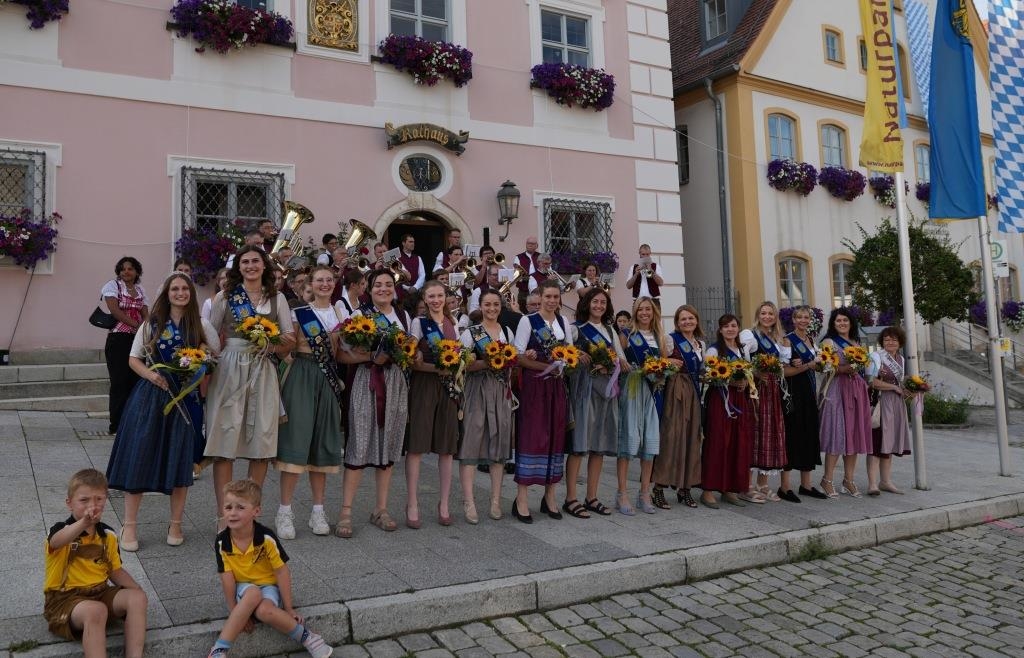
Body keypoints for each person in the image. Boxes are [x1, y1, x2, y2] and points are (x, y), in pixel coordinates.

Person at [106, 272, 220, 550]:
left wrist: (202, 362)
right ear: (166, 294)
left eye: (185, 289)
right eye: (175, 289)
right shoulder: (152, 323)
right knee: (140, 456)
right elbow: (134, 359)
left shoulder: (202, 324)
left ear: (191, 293)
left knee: (181, 461)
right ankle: (130, 525)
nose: (180, 293)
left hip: (186, 399)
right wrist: (151, 375)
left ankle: (176, 524)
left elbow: (214, 355)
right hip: (151, 396)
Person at [205, 247, 295, 523]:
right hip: (230, 369)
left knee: (261, 443)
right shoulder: (226, 296)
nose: (251, 266)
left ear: (264, 266)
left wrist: (271, 345)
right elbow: (208, 334)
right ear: (238, 267)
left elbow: (290, 338)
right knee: (224, 442)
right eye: (245, 262)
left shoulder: (277, 298)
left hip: (263, 369)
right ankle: (225, 514)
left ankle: (249, 512)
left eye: (256, 261)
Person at [208, 480, 332, 658]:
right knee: (252, 594)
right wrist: (236, 613)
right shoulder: (222, 541)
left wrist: (289, 608)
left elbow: (282, 571)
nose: (233, 513)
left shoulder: (266, 538)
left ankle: (309, 638)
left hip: (269, 588)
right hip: (243, 589)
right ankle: (218, 651)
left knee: (264, 611)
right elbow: (226, 577)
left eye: (240, 508)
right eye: (228, 507)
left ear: (256, 511)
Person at [335, 269, 411, 537]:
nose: (383, 289)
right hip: (366, 383)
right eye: (378, 284)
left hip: (395, 385)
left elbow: (409, 353)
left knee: (388, 445)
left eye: (388, 284)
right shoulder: (358, 316)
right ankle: (346, 511)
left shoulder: (403, 317)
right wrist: (370, 358)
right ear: (369, 288)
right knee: (359, 444)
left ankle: (381, 508)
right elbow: (342, 356)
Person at [43, 469, 147, 658]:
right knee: (96, 610)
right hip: (64, 601)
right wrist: (83, 524)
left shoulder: (108, 535)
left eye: (99, 499)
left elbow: (114, 570)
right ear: (69, 503)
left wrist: (136, 591)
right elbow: (55, 542)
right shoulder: (61, 530)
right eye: (84, 500)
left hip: (100, 592)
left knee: (137, 598)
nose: (92, 505)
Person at [275, 266, 346, 540]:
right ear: (311, 284)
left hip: (327, 380)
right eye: (320, 280)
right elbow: (286, 348)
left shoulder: (340, 313)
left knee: (322, 443)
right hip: (303, 376)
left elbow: (340, 354)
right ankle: (285, 511)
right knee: (296, 442)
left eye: (329, 279)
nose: (325, 284)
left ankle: (318, 511)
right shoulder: (299, 314)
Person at [512, 280, 572, 523]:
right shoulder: (528, 321)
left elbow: (569, 352)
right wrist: (546, 366)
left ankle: (550, 497)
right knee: (532, 437)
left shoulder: (563, 321)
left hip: (556, 387)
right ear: (541, 297)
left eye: (556, 296)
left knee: (555, 437)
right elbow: (517, 356)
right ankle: (522, 499)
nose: (552, 300)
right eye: (548, 296)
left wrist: (563, 366)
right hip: (535, 386)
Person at [564, 287, 626, 518]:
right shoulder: (575, 329)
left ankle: (591, 497)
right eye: (595, 301)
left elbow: (622, 361)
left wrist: (611, 365)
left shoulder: (610, 330)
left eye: (603, 302)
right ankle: (571, 498)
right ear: (587, 304)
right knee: (580, 445)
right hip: (585, 391)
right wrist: (580, 358)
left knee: (598, 446)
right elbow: (565, 357)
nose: (599, 306)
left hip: (606, 393)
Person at [459, 290, 516, 521]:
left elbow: (513, 361)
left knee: (499, 444)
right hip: (477, 390)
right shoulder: (471, 333)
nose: (492, 308)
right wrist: (484, 362)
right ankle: (469, 501)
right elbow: (462, 364)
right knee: (471, 443)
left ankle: (495, 500)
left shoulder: (507, 332)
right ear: (480, 306)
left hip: (501, 390)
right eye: (487, 304)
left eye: (495, 304)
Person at [408, 281, 461, 526]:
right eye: (432, 296)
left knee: (446, 447)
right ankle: (412, 502)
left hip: (448, 388)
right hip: (425, 386)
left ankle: (445, 503)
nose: (436, 300)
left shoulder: (453, 323)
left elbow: (460, 356)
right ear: (425, 298)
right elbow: (413, 360)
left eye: (440, 295)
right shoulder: (419, 323)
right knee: (417, 445)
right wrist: (436, 368)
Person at [616, 296, 667, 515]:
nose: (644, 313)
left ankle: (644, 492)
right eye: (640, 309)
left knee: (650, 443)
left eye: (648, 309)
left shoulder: (660, 336)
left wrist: (662, 373)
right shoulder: (626, 335)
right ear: (635, 312)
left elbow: (663, 363)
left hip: (654, 391)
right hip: (633, 388)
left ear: (653, 312)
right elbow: (619, 362)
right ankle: (622, 493)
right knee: (628, 440)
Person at [700, 314, 756, 508]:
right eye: (726, 326)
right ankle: (708, 490)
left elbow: (748, 373)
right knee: (718, 442)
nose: (730, 329)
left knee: (737, 443)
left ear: (738, 328)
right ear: (720, 329)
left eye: (734, 326)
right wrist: (729, 381)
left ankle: (730, 489)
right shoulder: (714, 350)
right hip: (721, 400)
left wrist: (744, 383)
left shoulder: (741, 349)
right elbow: (706, 376)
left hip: (740, 400)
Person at [652, 305, 705, 509]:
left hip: (693, 391)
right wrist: (667, 362)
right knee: (672, 437)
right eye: (683, 319)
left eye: (691, 318)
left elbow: (700, 370)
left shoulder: (699, 343)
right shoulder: (671, 339)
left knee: (692, 438)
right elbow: (660, 363)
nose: (687, 322)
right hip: (675, 390)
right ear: (677, 322)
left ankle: (686, 487)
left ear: (696, 320)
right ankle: (659, 487)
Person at [818, 307, 872, 498]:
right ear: (833, 324)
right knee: (837, 432)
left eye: (845, 320)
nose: (842, 323)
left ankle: (848, 480)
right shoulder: (829, 342)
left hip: (856, 390)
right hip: (836, 390)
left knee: (854, 435)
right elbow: (825, 367)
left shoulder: (856, 342)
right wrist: (844, 368)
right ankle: (827, 479)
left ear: (851, 323)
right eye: (838, 321)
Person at [745, 301, 791, 503]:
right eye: (763, 313)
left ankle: (762, 483)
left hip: (772, 389)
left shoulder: (776, 338)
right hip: (756, 389)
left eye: (771, 313)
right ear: (758, 315)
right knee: (755, 434)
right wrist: (755, 372)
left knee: (769, 434)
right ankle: (746, 484)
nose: (767, 316)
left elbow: (782, 365)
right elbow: (742, 362)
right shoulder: (750, 335)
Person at [781, 305, 827, 501]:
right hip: (793, 394)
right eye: (799, 317)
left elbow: (813, 367)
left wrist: (822, 365)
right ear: (793, 320)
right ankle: (784, 487)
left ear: (811, 320)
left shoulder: (810, 340)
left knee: (809, 436)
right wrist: (808, 365)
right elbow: (784, 371)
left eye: (806, 317)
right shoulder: (787, 340)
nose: (803, 320)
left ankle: (806, 484)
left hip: (809, 394)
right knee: (792, 437)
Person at [101, 256, 149, 435]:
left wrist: (147, 330)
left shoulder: (140, 289)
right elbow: (115, 310)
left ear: (137, 271)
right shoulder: (112, 286)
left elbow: (145, 313)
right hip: (118, 338)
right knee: (119, 382)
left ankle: (132, 423)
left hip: (137, 340)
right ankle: (116, 425)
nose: (126, 272)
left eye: (130, 269)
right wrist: (136, 326)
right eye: (123, 269)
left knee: (135, 382)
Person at [867, 326, 912, 495]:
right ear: (882, 342)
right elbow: (871, 382)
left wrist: (911, 388)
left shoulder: (901, 359)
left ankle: (885, 481)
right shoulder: (875, 357)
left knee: (889, 442)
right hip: (880, 403)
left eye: (894, 339)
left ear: (900, 342)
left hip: (896, 404)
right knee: (877, 443)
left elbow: (901, 382)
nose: (890, 342)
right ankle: (872, 484)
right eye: (886, 339)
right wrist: (894, 387)